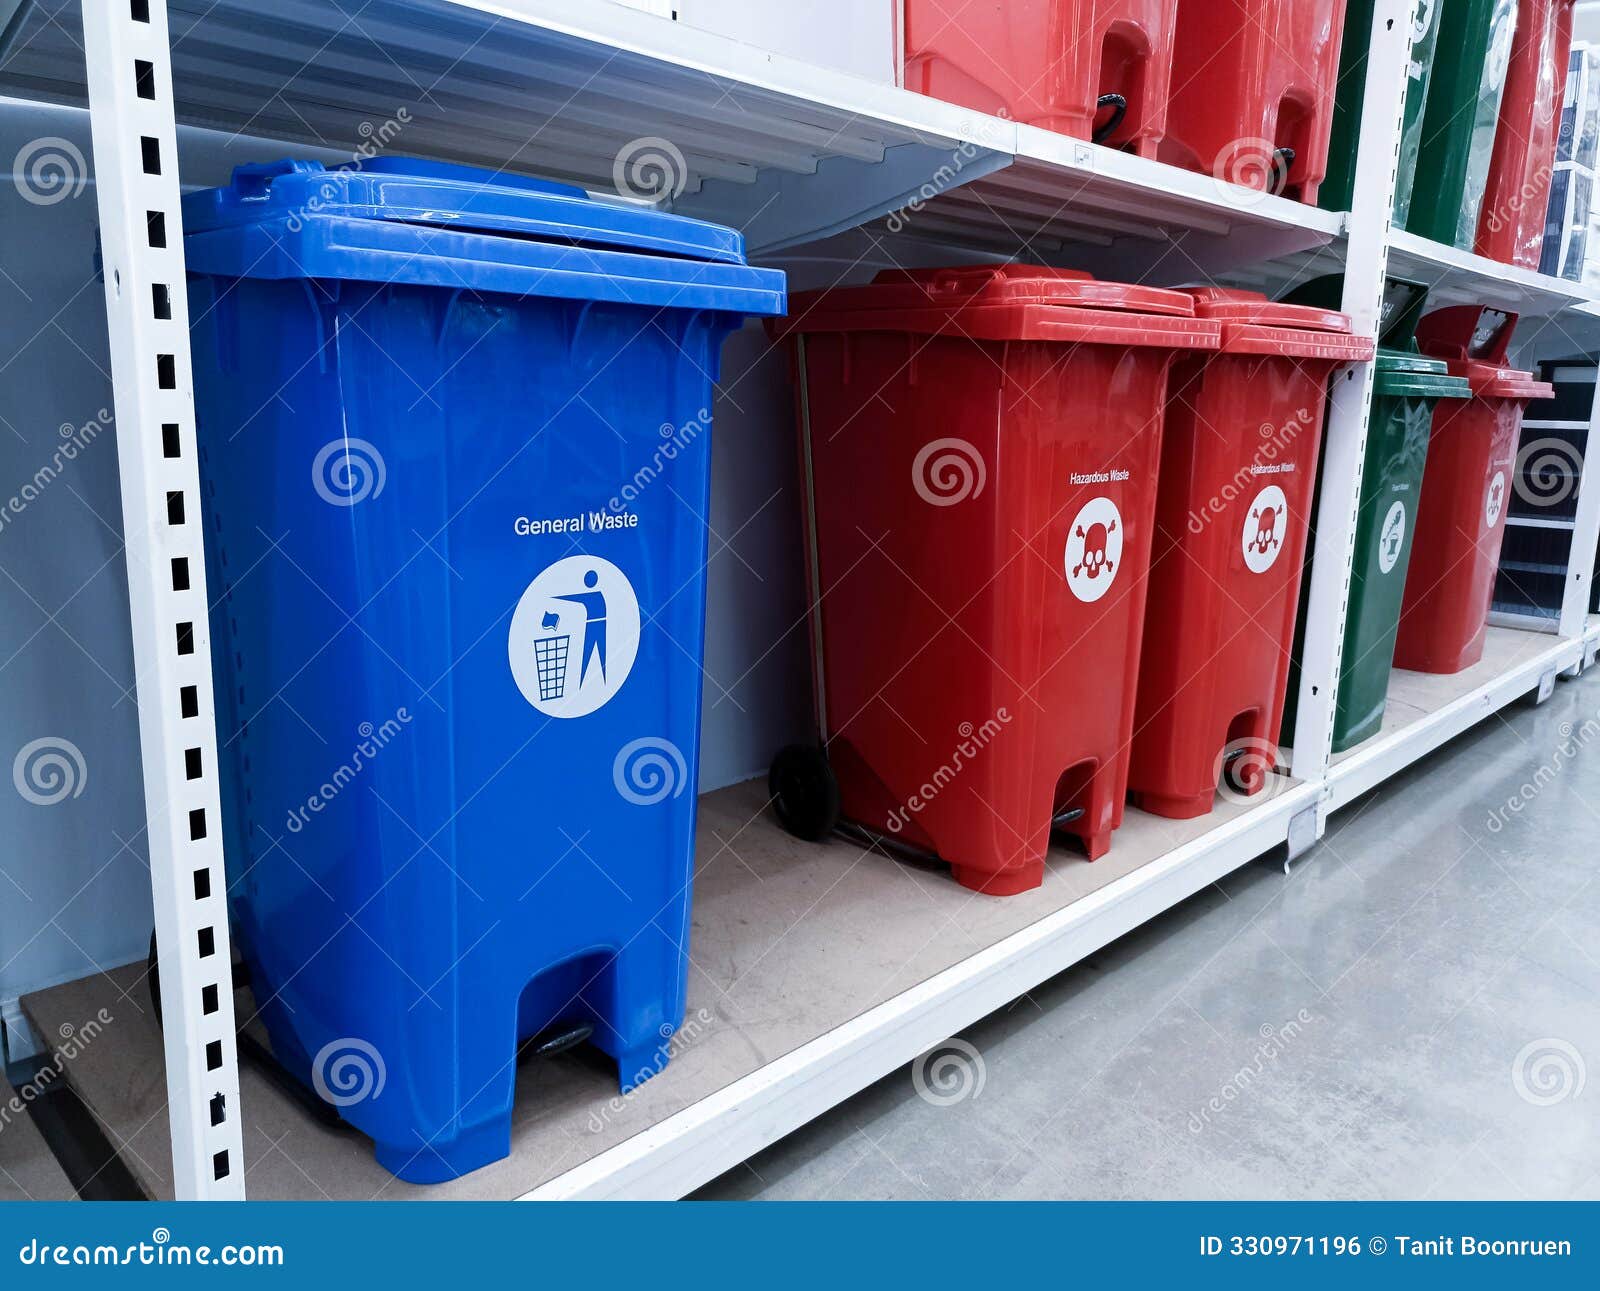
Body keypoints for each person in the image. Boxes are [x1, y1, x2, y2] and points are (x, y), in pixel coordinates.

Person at [554, 570, 608, 687]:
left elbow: (577, 597)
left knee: (592, 653)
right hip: (595, 624)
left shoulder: (595, 595)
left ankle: (590, 682)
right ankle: (586, 682)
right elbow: (578, 597)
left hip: (595, 625)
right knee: (592, 654)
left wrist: (557, 597)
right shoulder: (598, 595)